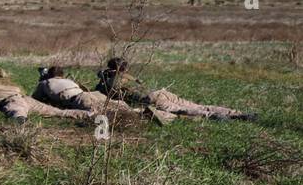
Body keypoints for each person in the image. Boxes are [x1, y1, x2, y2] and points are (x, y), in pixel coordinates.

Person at [98, 57, 254, 121]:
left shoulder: (108, 81)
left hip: (150, 99)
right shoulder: (128, 77)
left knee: (180, 110)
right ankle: (236, 113)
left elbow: (102, 94)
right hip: (159, 92)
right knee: (194, 105)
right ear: (124, 68)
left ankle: (213, 116)